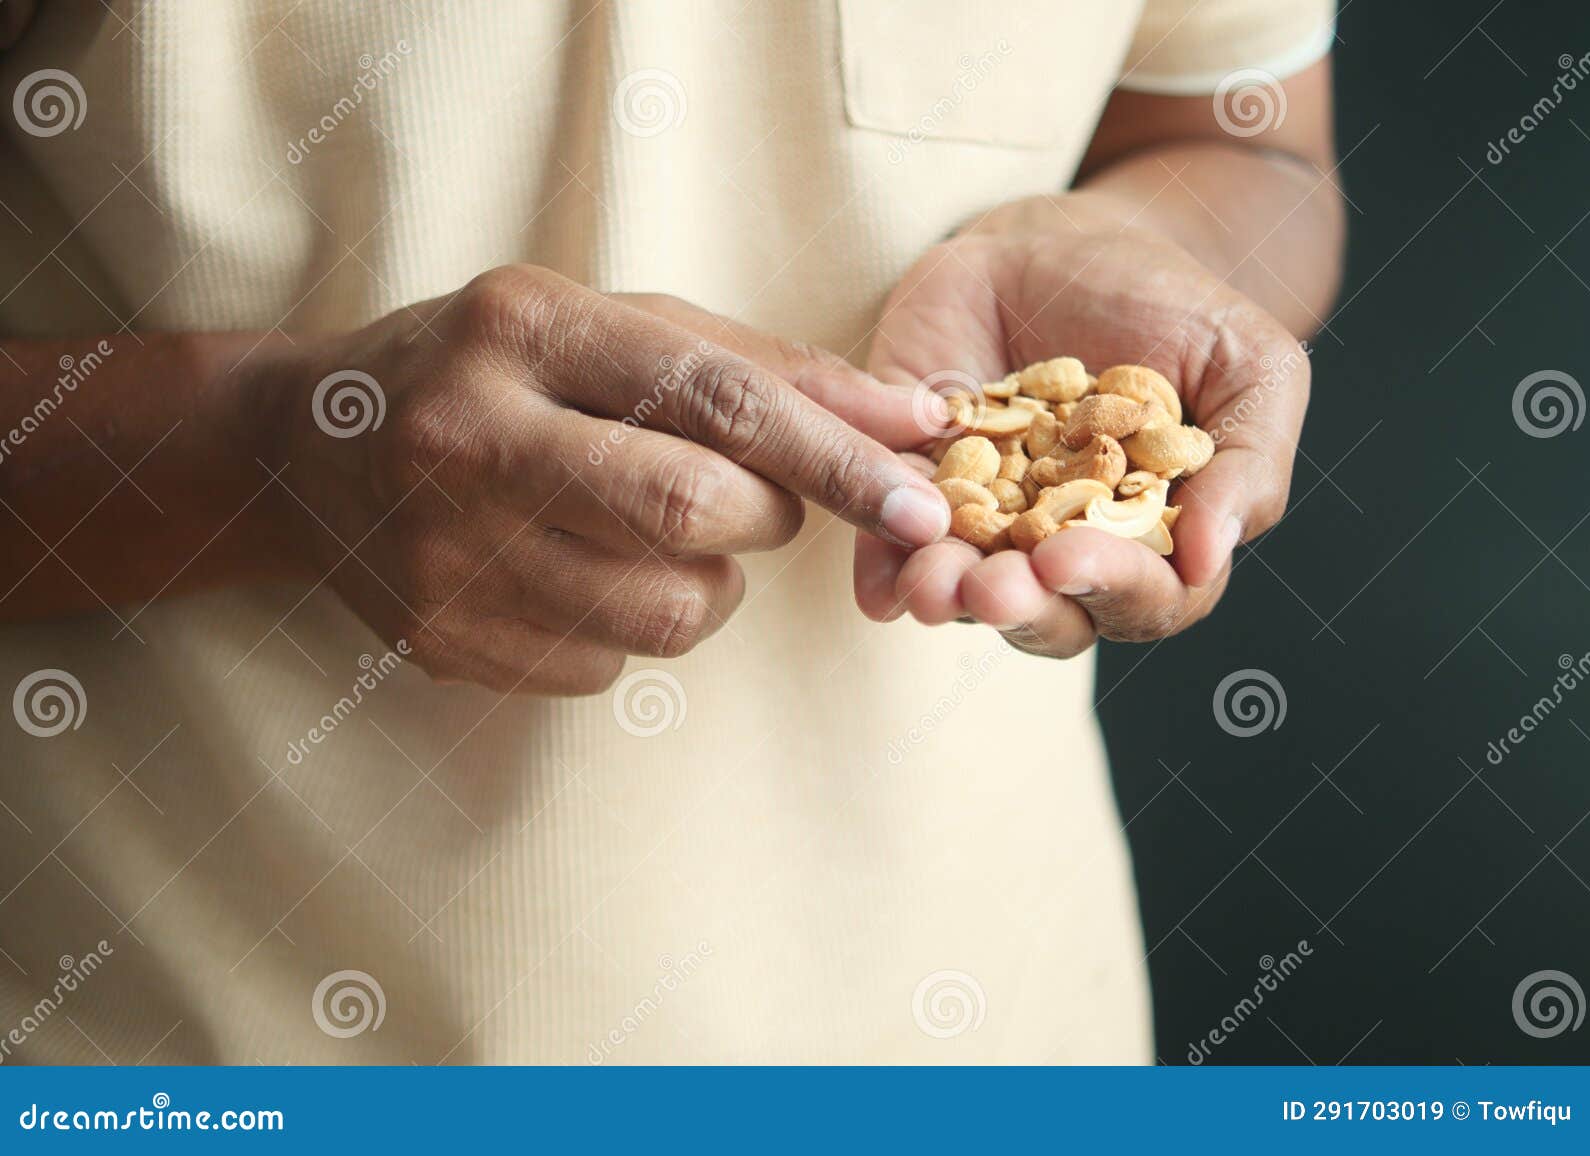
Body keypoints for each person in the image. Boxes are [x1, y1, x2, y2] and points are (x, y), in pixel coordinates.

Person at [0, 0, 1341, 1063]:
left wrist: (1136, 250)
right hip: (196, 1050)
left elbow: (1244, 141)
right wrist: (274, 452)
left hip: (993, 1038)